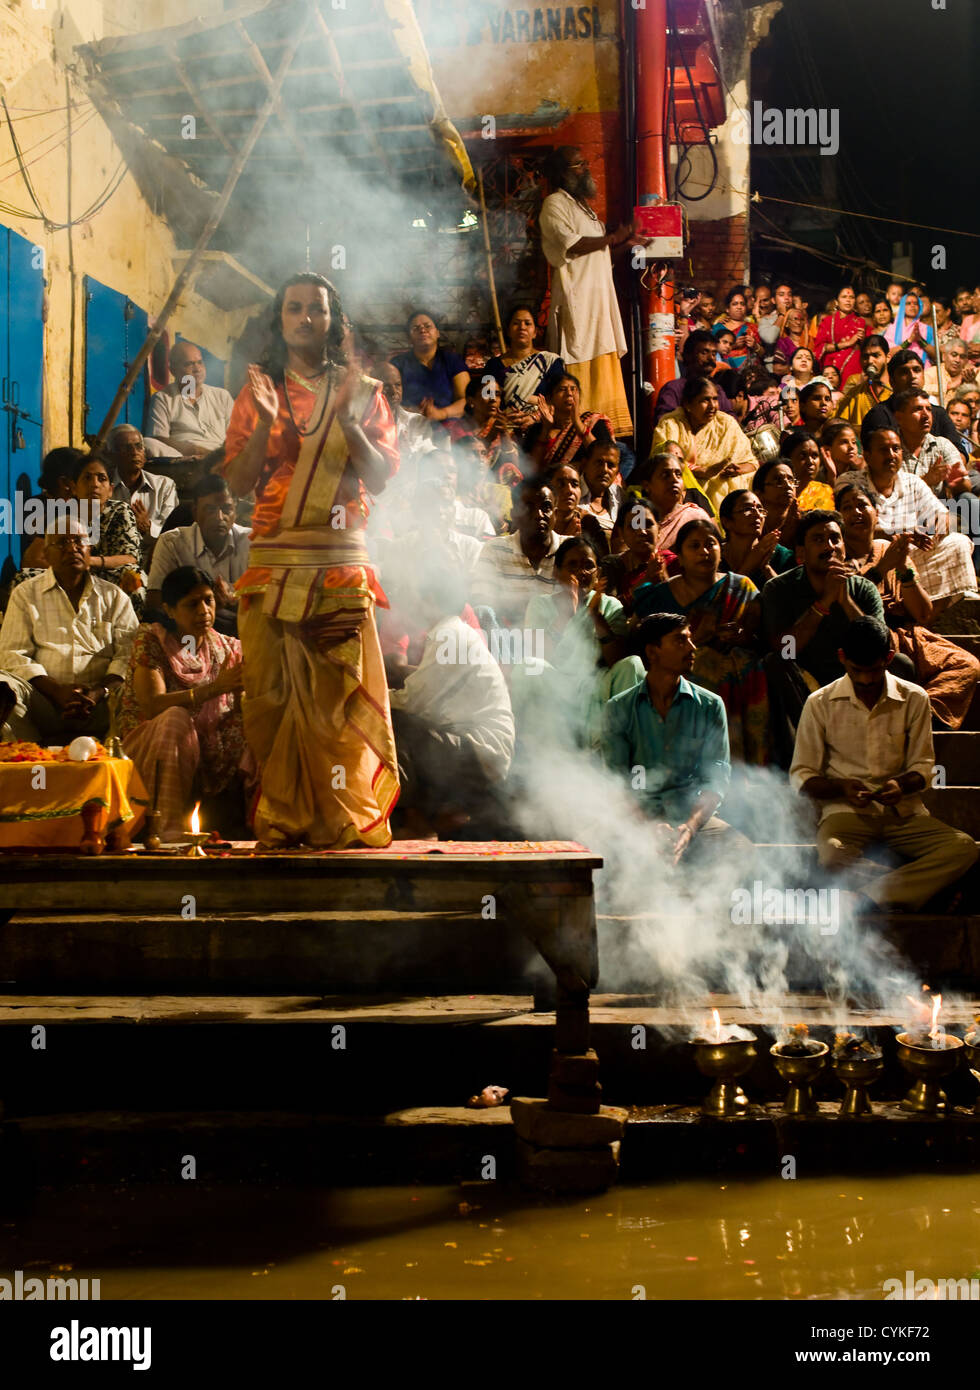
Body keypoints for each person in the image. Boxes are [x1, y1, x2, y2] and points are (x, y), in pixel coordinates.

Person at [222, 270, 399, 848]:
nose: (304, 318)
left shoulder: (364, 392)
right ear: (280, 320)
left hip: (340, 568)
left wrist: (349, 424)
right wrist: (267, 425)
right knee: (270, 699)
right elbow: (242, 483)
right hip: (271, 564)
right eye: (293, 308)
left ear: (332, 320)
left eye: (315, 309)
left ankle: (343, 820)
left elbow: (382, 478)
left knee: (334, 706)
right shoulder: (257, 394)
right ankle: (284, 817)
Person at [790, 617, 977, 912]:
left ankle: (868, 896)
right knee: (831, 857)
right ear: (842, 658)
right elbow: (802, 776)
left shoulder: (914, 698)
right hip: (846, 814)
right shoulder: (820, 702)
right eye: (857, 671)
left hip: (904, 814)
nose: (865, 680)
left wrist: (900, 785)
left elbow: (924, 766)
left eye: (874, 671)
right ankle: (901, 889)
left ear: (889, 658)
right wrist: (841, 787)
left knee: (963, 848)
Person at [600, 612, 753, 868]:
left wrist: (690, 827)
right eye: (680, 641)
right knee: (594, 850)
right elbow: (618, 781)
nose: (692, 648)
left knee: (741, 851)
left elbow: (715, 778)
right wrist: (647, 825)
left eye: (691, 640)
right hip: (636, 817)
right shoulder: (620, 707)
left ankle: (709, 906)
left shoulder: (709, 705)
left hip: (692, 817)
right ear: (653, 651)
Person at [836, 479, 979, 729]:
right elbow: (848, 602)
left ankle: (922, 716)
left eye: (862, 505)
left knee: (967, 665)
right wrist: (883, 567)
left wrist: (902, 567)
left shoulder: (888, 548)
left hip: (909, 636)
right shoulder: (836, 554)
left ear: (876, 513)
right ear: (839, 517)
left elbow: (923, 613)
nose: (856, 512)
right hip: (868, 638)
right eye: (847, 508)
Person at [118, 566, 248, 839]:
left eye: (208, 600)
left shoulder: (227, 647)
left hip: (208, 745)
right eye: (192, 604)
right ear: (169, 610)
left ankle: (269, 826)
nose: (204, 610)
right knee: (175, 719)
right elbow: (153, 705)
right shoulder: (152, 641)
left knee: (263, 717)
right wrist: (214, 689)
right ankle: (165, 831)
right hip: (151, 743)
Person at [386, 569, 515, 839]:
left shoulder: (449, 634)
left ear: (430, 598)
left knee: (393, 718)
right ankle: (441, 812)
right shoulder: (454, 632)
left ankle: (414, 818)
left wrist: (375, 697)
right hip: (480, 749)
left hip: (480, 750)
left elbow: (415, 701)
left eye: (416, 598)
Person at [633, 517, 769, 763]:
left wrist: (743, 637)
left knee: (753, 666)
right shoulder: (661, 596)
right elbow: (648, 649)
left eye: (710, 544)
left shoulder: (741, 587)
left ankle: (750, 769)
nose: (704, 551)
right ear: (680, 557)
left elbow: (764, 639)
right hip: (683, 673)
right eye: (694, 546)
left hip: (741, 672)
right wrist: (697, 639)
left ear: (721, 549)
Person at [538, 146, 644, 436]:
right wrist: (613, 236)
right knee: (580, 362)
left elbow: (598, 256)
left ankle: (606, 437)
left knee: (604, 362)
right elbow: (571, 245)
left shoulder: (584, 208)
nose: (586, 168)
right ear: (562, 173)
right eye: (578, 165)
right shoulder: (554, 204)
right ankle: (579, 436)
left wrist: (627, 245)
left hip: (599, 307)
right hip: (578, 307)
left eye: (585, 162)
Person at [0, 521, 138, 742]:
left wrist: (97, 692)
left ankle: (114, 761)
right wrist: (56, 691)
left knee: (137, 688)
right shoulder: (25, 594)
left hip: (101, 703)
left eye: (79, 541)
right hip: (43, 703)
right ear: (46, 554)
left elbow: (128, 655)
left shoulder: (114, 597)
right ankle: (29, 757)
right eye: (62, 542)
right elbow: (13, 655)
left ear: (89, 549)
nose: (73, 548)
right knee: (4, 686)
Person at [515, 535, 637, 751]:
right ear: (556, 572)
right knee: (528, 668)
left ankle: (616, 750)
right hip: (555, 681)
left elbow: (617, 660)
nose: (581, 572)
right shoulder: (540, 605)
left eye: (588, 565)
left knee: (632, 665)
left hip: (597, 683)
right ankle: (538, 752)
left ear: (598, 573)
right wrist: (565, 616)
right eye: (572, 565)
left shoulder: (610, 605)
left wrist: (597, 618)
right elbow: (537, 655)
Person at [761, 508, 885, 709]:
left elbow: (879, 647)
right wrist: (823, 604)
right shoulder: (779, 588)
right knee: (776, 663)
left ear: (844, 547)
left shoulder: (863, 589)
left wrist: (846, 602)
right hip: (803, 678)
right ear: (801, 553)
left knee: (900, 663)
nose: (830, 547)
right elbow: (786, 650)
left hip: (855, 675)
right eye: (818, 540)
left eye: (835, 539)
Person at [846, 425, 977, 607]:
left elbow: (945, 517)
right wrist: (904, 535)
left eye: (896, 449)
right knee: (881, 546)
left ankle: (928, 616)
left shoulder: (912, 481)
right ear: (867, 456)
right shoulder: (850, 481)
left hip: (912, 550)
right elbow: (853, 528)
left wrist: (939, 527)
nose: (891, 454)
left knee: (958, 542)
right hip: (877, 554)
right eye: (884, 450)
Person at [146, 475, 250, 635]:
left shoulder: (252, 542)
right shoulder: (172, 543)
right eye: (210, 509)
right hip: (188, 632)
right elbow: (155, 602)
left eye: (226, 509)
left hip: (242, 630)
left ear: (235, 510)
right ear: (195, 512)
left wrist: (232, 601)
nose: (219, 517)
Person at [470, 476, 571, 631]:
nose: (538, 515)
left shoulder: (570, 550)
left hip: (559, 641)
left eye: (546, 507)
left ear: (555, 514)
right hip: (506, 639)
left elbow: (577, 606)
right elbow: (482, 604)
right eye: (528, 507)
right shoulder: (494, 550)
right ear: (514, 514)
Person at [651, 376, 756, 513]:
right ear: (688, 404)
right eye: (705, 400)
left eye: (715, 399)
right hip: (686, 490)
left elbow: (751, 463)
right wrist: (700, 471)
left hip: (723, 486)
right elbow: (662, 461)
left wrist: (739, 469)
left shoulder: (726, 423)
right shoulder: (670, 423)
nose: (713, 406)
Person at [861, 349, 967, 460]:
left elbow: (960, 454)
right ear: (892, 381)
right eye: (904, 372)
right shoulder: (879, 414)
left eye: (917, 370)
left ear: (923, 376)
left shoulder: (938, 413)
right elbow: (881, 461)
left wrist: (950, 468)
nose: (912, 376)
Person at [147, 340, 234, 460]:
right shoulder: (163, 398)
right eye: (189, 364)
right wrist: (194, 450)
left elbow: (235, 434)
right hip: (185, 458)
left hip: (219, 458)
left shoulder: (222, 396)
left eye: (200, 362)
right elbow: (158, 437)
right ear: (173, 370)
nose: (197, 369)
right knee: (148, 443)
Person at [105, 424, 179, 565]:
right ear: (112, 454)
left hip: (155, 560)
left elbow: (172, 534)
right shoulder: (104, 486)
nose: (134, 452)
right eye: (126, 448)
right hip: (113, 561)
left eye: (139, 446)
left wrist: (148, 527)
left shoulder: (164, 486)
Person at [482, 304, 565, 429]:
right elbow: (486, 399)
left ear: (535, 332)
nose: (522, 327)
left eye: (527, 323)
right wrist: (502, 418)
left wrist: (534, 416)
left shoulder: (550, 362)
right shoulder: (493, 365)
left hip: (541, 428)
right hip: (503, 429)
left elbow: (560, 400)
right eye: (516, 323)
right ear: (508, 331)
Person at [522, 370, 612, 473]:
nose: (569, 393)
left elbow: (606, 457)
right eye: (562, 389)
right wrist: (545, 430)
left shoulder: (594, 423)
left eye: (573, 389)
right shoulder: (537, 429)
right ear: (550, 398)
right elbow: (531, 471)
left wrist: (577, 423)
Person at [390, 310, 468, 422]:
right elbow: (386, 399)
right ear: (409, 338)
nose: (422, 330)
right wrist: (410, 412)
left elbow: (465, 400)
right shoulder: (398, 364)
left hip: (449, 427)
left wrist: (441, 413)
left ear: (437, 333)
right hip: (409, 426)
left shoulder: (452, 360)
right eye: (416, 328)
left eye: (428, 326)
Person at [630, 448, 711, 552]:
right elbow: (626, 556)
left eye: (678, 474)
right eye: (665, 475)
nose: (674, 479)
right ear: (647, 485)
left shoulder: (695, 516)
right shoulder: (637, 514)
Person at [600, 496, 670, 614]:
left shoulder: (674, 562)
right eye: (633, 526)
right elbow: (609, 612)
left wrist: (665, 581)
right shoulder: (612, 565)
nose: (641, 532)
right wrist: (646, 580)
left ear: (659, 528)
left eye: (647, 524)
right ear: (621, 533)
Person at [653, 330, 736, 422]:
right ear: (688, 356)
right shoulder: (675, 389)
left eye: (713, 354)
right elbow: (664, 424)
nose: (711, 358)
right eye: (704, 353)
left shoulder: (717, 390)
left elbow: (731, 423)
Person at [718, 488, 794, 585]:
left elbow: (790, 598)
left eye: (760, 509)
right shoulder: (715, 556)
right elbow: (720, 599)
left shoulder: (780, 555)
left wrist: (766, 568)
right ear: (727, 522)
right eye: (747, 509)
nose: (757, 514)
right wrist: (749, 566)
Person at [813, 285, 866, 386]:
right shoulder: (827, 321)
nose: (848, 300)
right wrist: (848, 343)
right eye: (844, 297)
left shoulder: (860, 322)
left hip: (852, 367)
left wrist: (863, 340)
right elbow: (821, 347)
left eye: (851, 297)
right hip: (830, 367)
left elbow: (864, 348)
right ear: (837, 301)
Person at [834, 335, 891, 427]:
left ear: (887, 357)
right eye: (865, 357)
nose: (870, 361)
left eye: (876, 355)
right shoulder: (853, 395)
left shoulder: (895, 393)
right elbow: (838, 426)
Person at [782, 427, 835, 511]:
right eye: (802, 456)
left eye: (814, 456)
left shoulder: (824, 491)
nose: (810, 462)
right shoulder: (778, 493)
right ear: (787, 459)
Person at [712, 287, 762, 370]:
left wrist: (755, 346)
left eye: (742, 304)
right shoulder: (718, 328)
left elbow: (763, 353)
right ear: (727, 309)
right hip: (724, 371)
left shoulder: (753, 327)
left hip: (749, 371)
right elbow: (712, 351)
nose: (739, 307)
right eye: (735, 304)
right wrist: (733, 345)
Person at [884, 290, 936, 364]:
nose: (912, 305)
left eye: (915, 303)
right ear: (902, 306)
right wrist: (909, 341)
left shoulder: (927, 329)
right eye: (908, 303)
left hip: (923, 369)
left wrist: (920, 339)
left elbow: (936, 355)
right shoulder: (892, 328)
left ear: (919, 307)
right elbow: (888, 354)